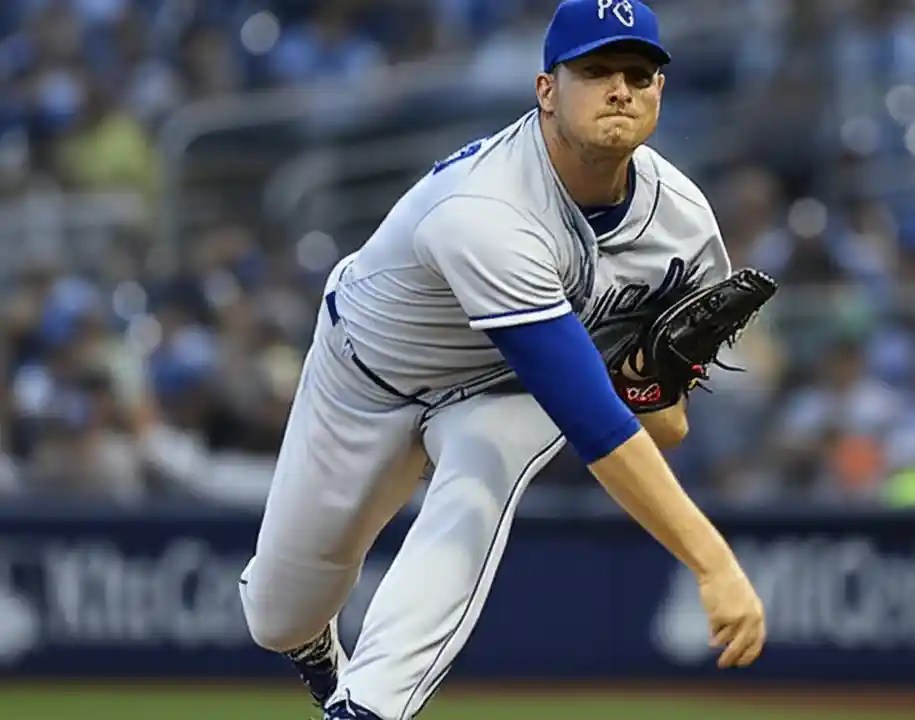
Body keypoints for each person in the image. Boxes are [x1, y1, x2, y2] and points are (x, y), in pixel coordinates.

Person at [235, 2, 768, 718]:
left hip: (502, 391)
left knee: (494, 449)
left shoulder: (684, 226)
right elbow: (595, 426)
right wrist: (713, 561)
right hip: (369, 378)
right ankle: (314, 646)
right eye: (596, 71)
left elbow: (662, 426)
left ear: (660, 94)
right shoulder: (486, 208)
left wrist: (646, 386)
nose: (621, 88)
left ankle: (368, 706)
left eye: (640, 74)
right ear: (546, 89)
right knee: (278, 618)